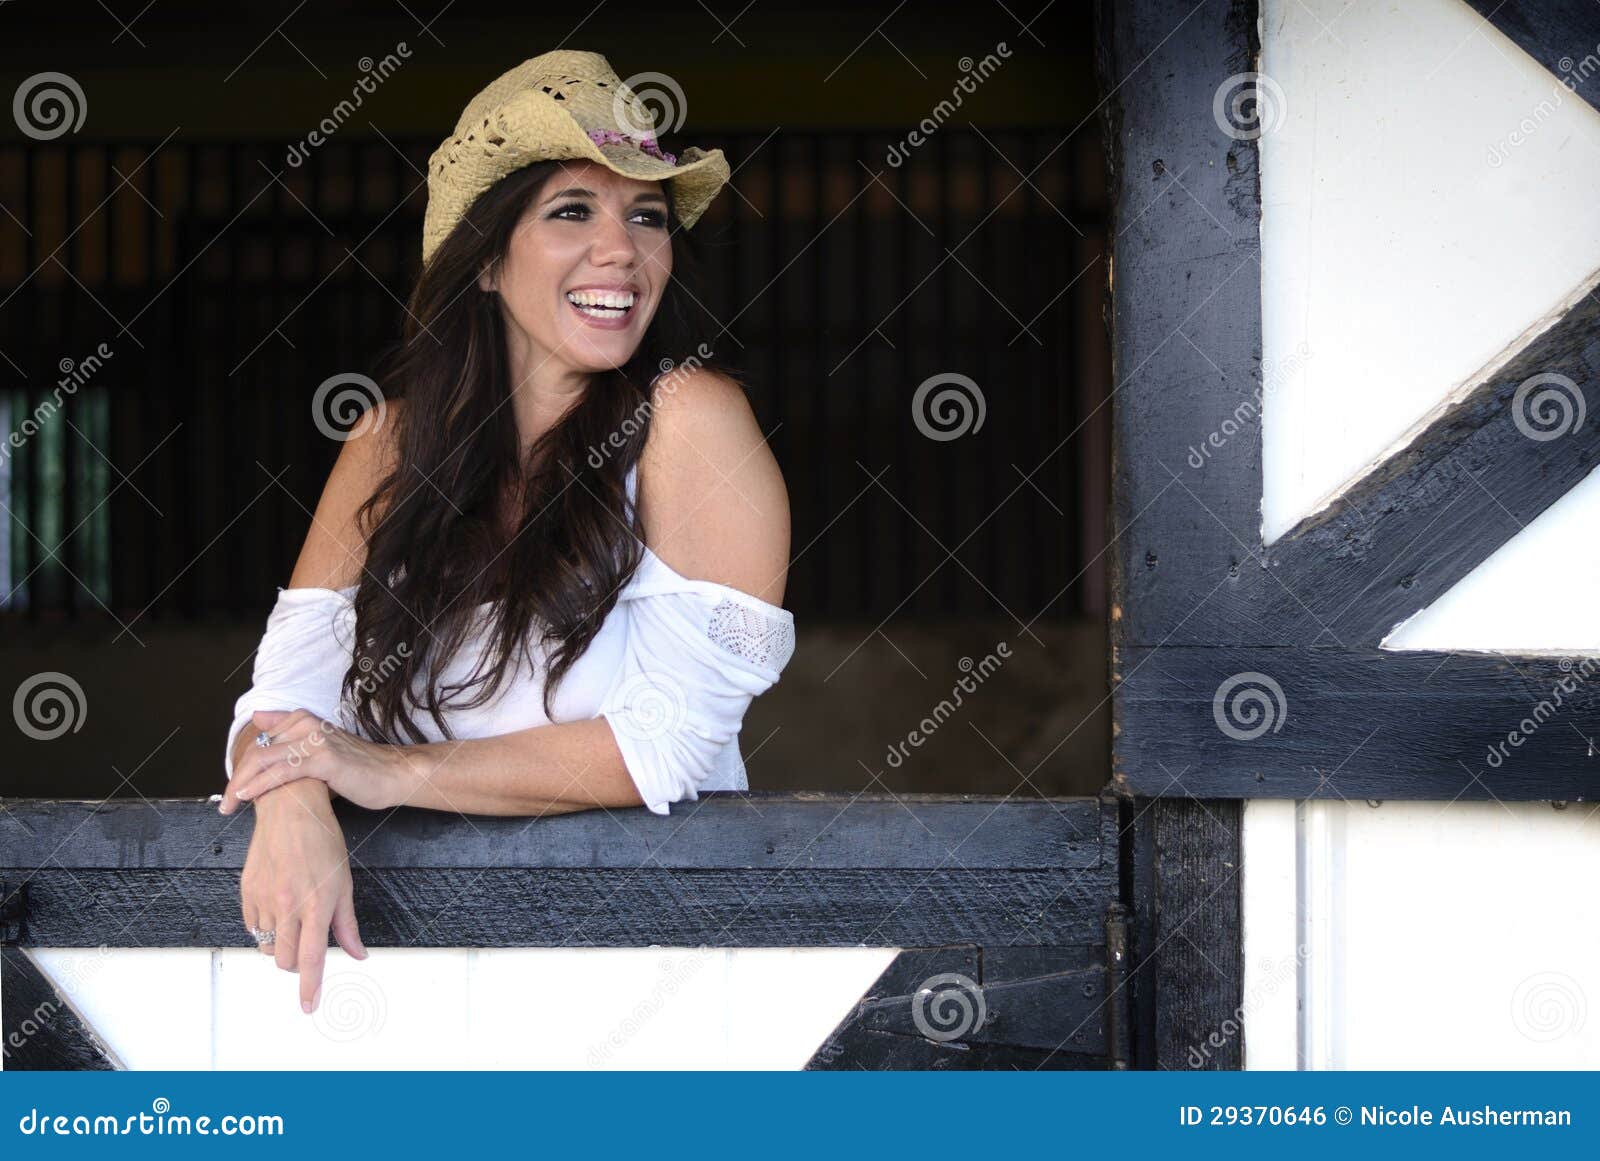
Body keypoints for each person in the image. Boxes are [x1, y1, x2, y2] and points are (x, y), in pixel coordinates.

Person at [215, 49, 795, 1016]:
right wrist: (294, 798)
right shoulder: (389, 442)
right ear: (484, 259)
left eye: (645, 216)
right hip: (407, 986)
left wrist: (376, 767)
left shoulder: (690, 419)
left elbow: (669, 742)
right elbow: (280, 699)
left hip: (650, 982)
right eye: (573, 210)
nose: (622, 248)